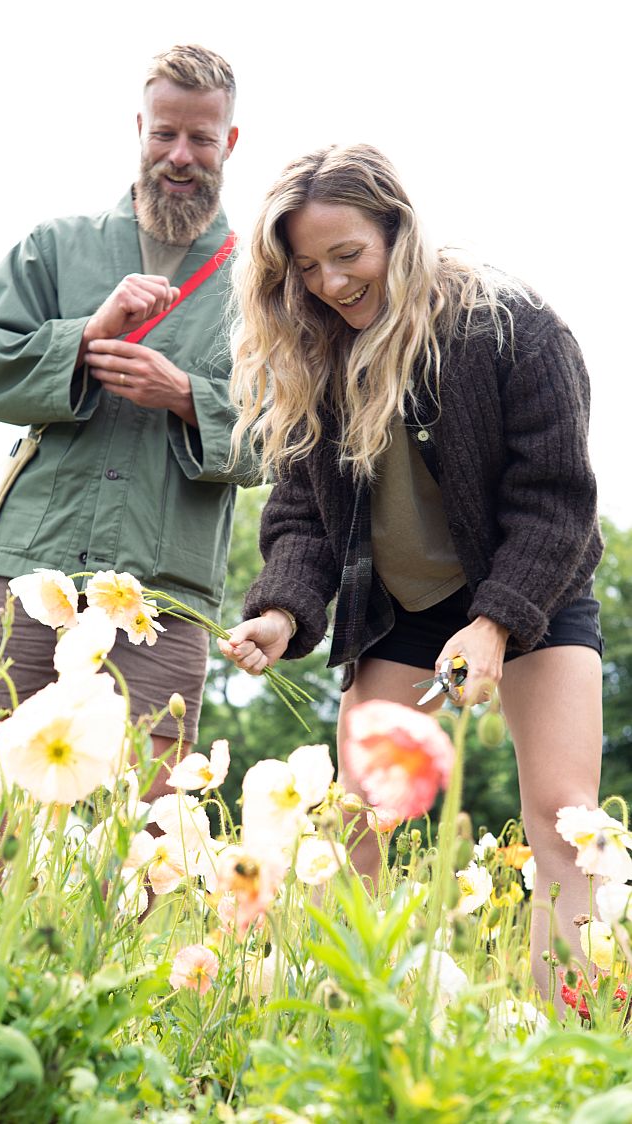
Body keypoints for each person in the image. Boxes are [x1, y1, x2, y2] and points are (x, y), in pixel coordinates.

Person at [218, 143, 604, 998]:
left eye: (348, 254)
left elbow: (557, 501)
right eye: (308, 266)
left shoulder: (512, 329)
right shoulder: (314, 356)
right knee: (357, 816)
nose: (329, 283)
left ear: (400, 229)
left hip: (533, 585)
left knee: (564, 817)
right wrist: (283, 610)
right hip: (404, 608)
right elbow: (303, 517)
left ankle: (573, 1042)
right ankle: (336, 1019)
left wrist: (498, 619)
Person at [0, 44, 244, 834]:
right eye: (164, 135)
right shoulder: (55, 246)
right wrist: (83, 337)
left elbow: (289, 437)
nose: (180, 157)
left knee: (150, 814)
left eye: (201, 139)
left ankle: (126, 961)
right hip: (29, 562)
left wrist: (185, 396)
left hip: (165, 586)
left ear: (230, 143)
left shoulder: (264, 282)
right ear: (139, 129)